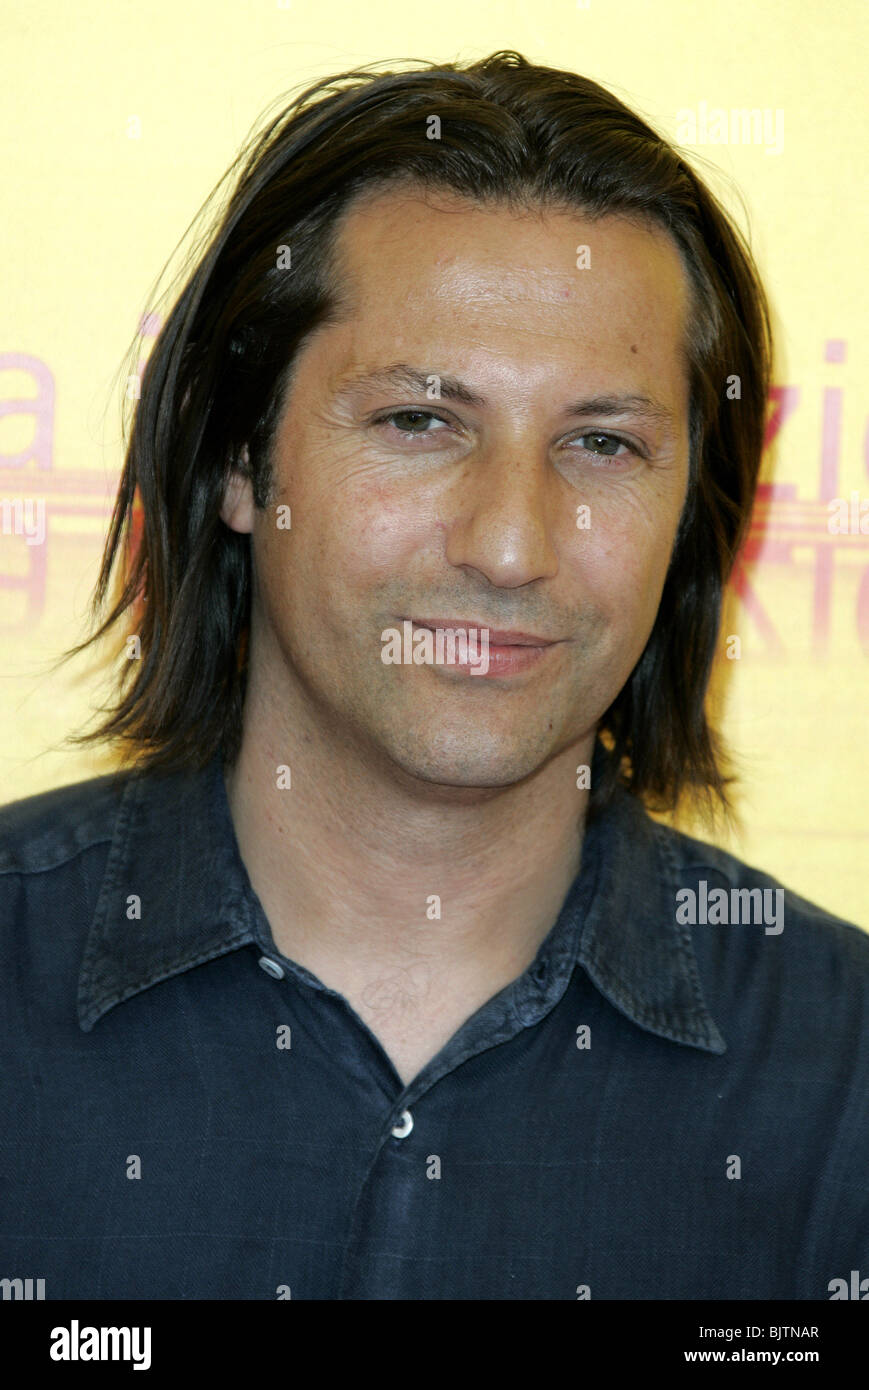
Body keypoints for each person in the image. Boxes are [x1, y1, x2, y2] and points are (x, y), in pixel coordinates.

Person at [1, 50, 867, 1303]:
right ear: (242, 464)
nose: (510, 544)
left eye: (602, 442)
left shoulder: (840, 1082)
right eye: (419, 421)